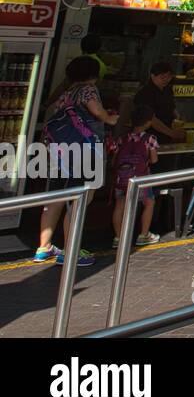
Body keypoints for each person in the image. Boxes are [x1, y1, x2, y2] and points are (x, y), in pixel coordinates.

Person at [33, 56, 119, 266]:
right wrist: (110, 119)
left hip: (59, 152)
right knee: (79, 199)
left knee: (55, 197)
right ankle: (71, 250)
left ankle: (43, 247)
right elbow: (97, 111)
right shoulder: (88, 90)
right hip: (84, 152)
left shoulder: (65, 94)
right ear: (94, 74)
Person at [107, 103, 161, 247]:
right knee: (149, 203)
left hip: (122, 177)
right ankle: (143, 235)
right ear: (149, 122)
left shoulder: (122, 138)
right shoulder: (150, 138)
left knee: (120, 205)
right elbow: (154, 159)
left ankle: (118, 237)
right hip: (141, 177)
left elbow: (114, 158)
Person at [132, 61, 185, 142]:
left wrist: (178, 119)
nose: (166, 80)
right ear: (153, 76)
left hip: (168, 133)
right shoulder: (144, 94)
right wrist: (171, 133)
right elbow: (151, 119)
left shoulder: (167, 89)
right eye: (163, 77)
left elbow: (172, 108)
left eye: (169, 77)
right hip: (149, 137)